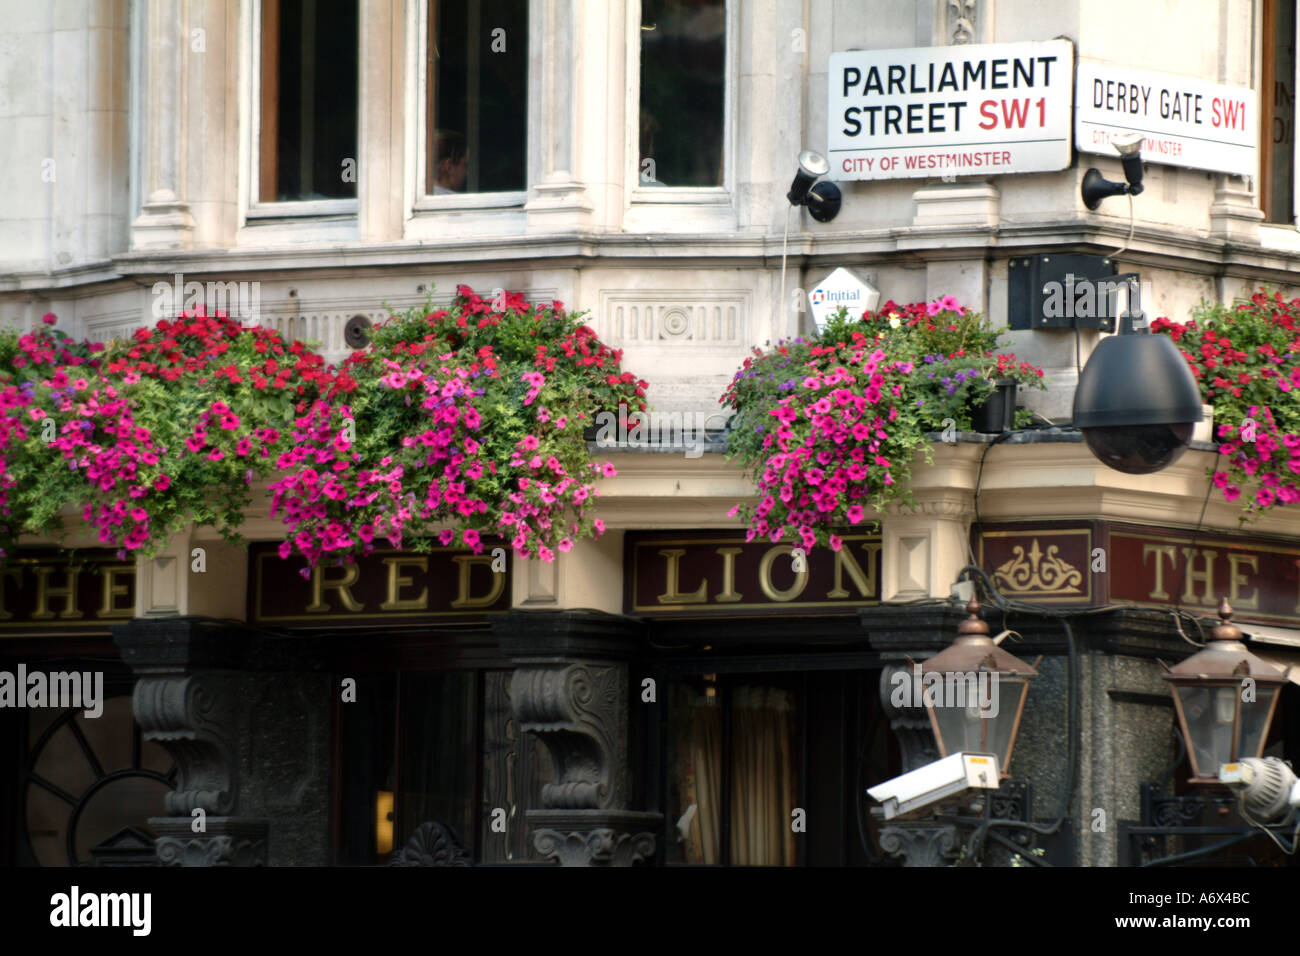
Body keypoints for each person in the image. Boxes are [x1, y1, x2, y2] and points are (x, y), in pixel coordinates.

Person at [432, 130, 468, 194]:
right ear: (448, 166)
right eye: (465, 165)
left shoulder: (413, 196)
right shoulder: (461, 202)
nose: (467, 173)